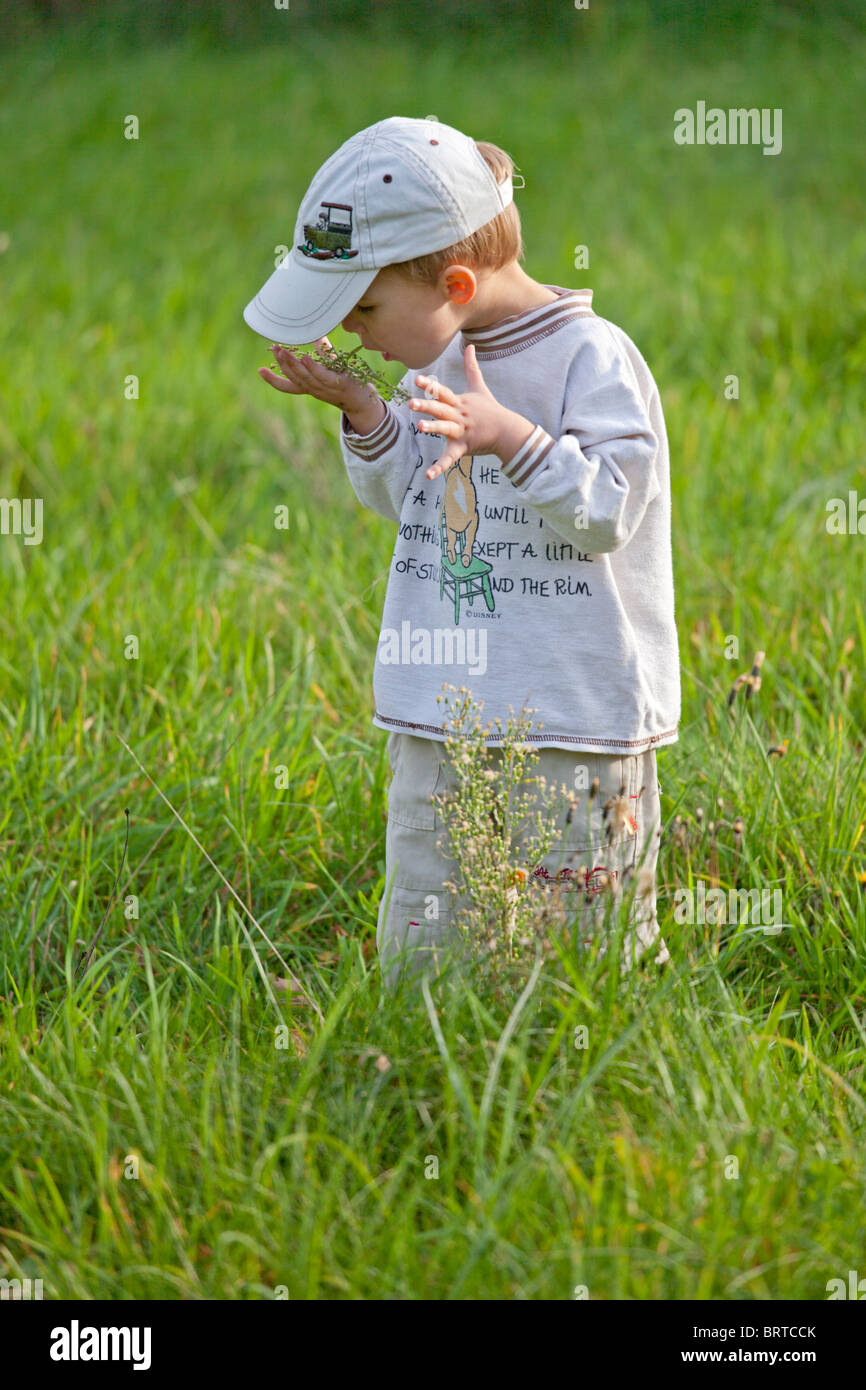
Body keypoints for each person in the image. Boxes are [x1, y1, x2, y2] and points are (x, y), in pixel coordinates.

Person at [245, 116, 680, 989]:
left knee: (580, 949)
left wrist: (511, 436)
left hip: (573, 718)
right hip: (440, 706)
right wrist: (371, 416)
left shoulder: (590, 358)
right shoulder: (433, 359)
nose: (356, 332)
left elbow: (611, 510)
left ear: (453, 280)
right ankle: (423, 1051)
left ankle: (572, 1073)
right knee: (430, 937)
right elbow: (411, 500)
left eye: (364, 309)